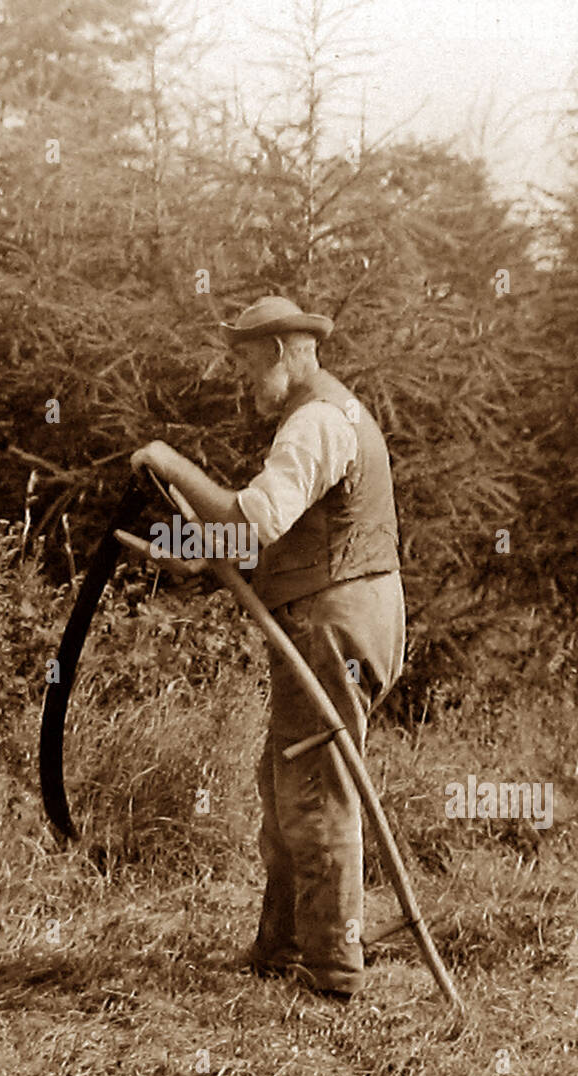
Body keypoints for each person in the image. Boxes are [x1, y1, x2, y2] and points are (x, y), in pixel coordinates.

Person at [123, 295, 406, 1001]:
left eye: (248, 363)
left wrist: (169, 461)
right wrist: (189, 550)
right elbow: (265, 539)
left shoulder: (313, 422)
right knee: (287, 779)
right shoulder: (327, 414)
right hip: (345, 611)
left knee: (313, 787)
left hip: (334, 620)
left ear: (282, 351)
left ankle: (333, 971)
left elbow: (251, 525)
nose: (244, 379)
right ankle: (283, 945)